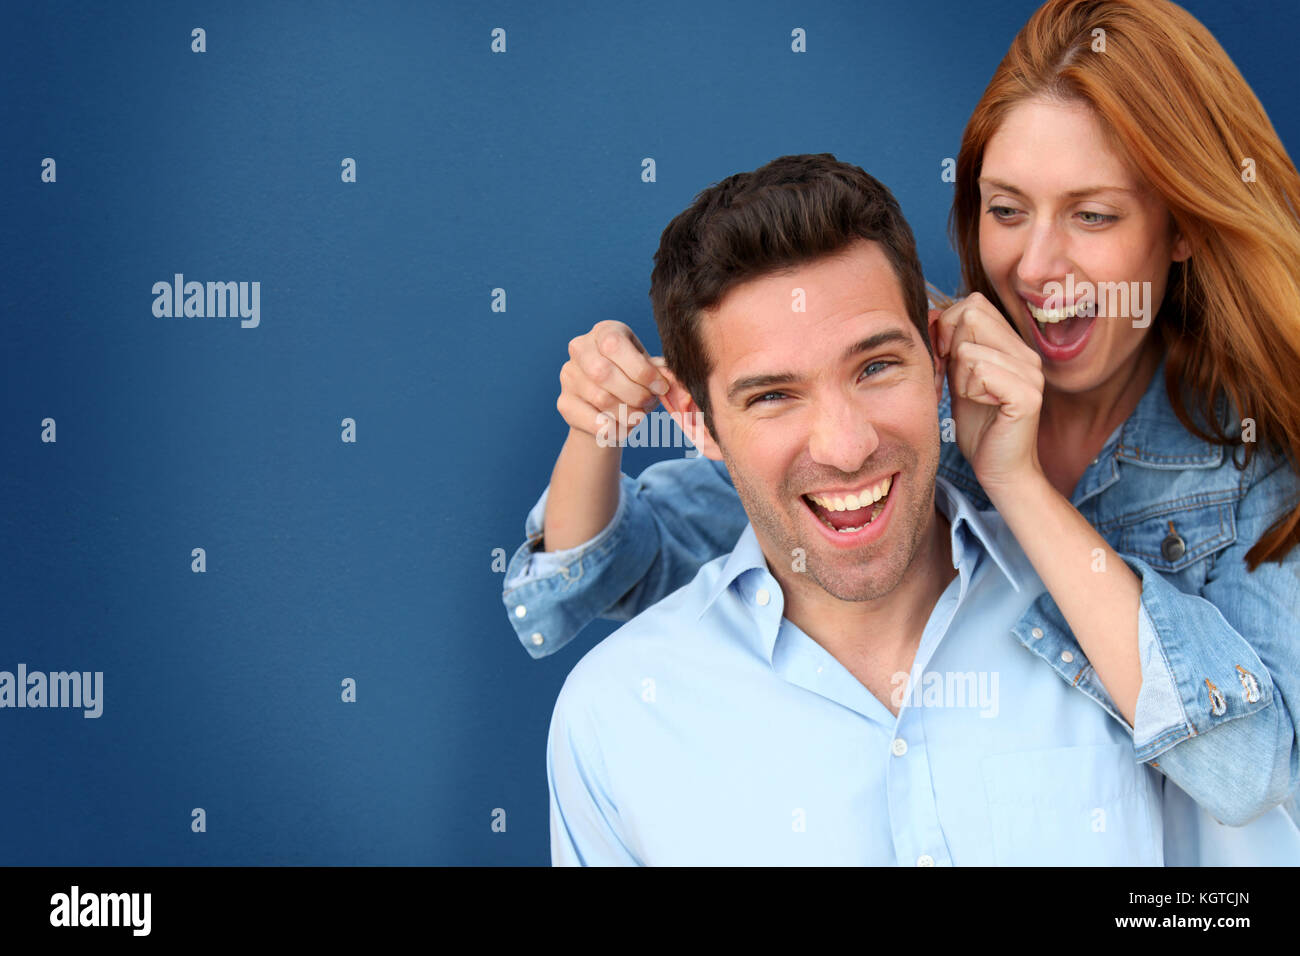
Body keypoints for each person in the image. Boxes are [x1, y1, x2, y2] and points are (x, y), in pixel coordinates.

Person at [513, 0, 1300, 863]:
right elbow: (597, 580)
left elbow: (1244, 773)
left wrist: (1013, 479)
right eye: (1007, 210)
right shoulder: (892, 397)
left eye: (1094, 215)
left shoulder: (1254, 466)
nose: (1037, 267)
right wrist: (598, 420)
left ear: (1181, 223)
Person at [548, 154, 1165, 865]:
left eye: (875, 368)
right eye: (773, 396)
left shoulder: (1111, 630)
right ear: (696, 422)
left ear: (938, 359)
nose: (846, 448)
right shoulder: (616, 717)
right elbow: (576, 567)